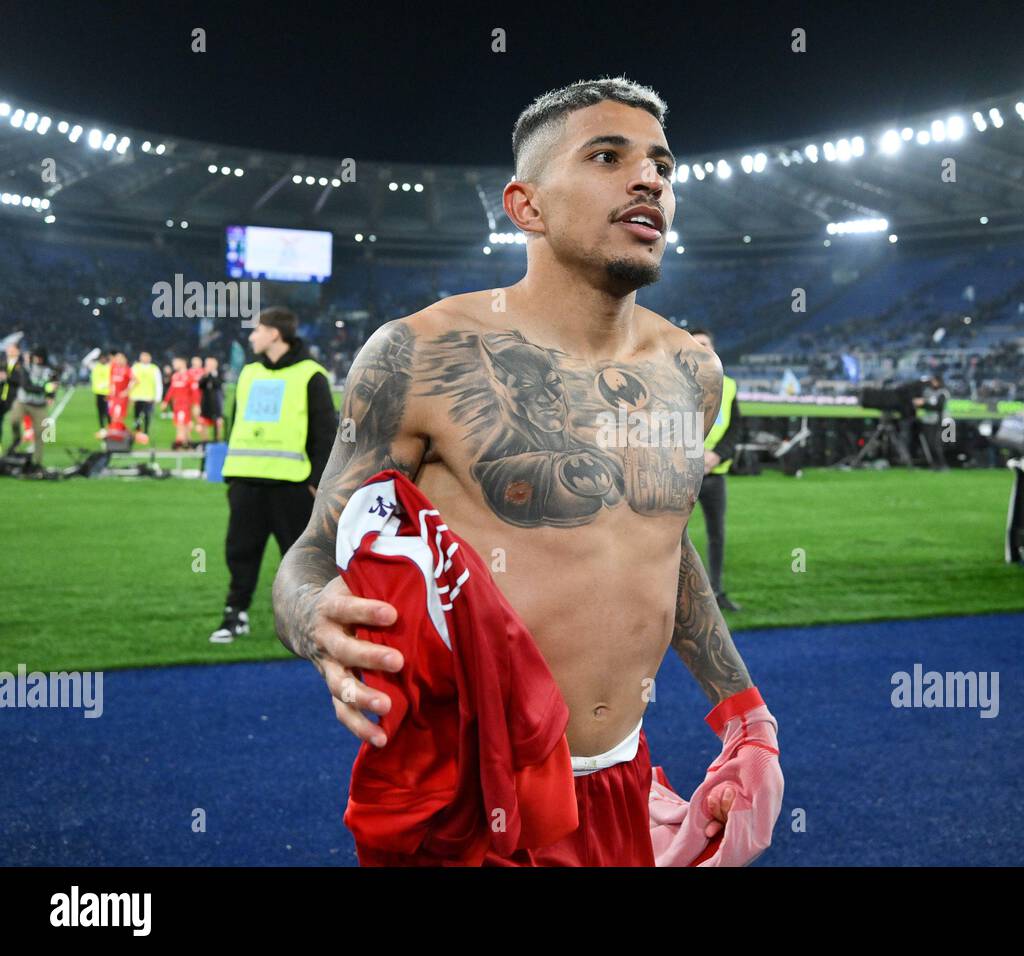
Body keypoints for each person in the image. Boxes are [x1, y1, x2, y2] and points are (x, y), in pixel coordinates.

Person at [272, 77, 783, 867]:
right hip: (472, 801)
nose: (649, 178)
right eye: (608, 156)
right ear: (526, 206)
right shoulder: (419, 355)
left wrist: (746, 716)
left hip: (625, 784)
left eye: (663, 165)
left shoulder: (693, 370)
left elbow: (661, 543)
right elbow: (310, 554)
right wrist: (312, 619)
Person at [212, 308, 335, 643]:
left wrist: (316, 484)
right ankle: (234, 615)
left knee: (298, 561)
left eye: (257, 330)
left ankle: (308, 623)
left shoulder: (312, 375)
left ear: (275, 334)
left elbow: (326, 434)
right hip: (246, 482)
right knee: (239, 553)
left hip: (291, 486)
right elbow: (236, 426)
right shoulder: (249, 374)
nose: (251, 336)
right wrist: (233, 481)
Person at [688, 328, 743, 611]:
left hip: (715, 474)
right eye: (694, 344)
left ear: (714, 348)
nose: (701, 348)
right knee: (670, 539)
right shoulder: (672, 382)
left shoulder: (729, 385)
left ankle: (717, 593)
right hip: (681, 474)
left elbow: (736, 428)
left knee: (716, 535)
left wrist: (717, 455)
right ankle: (674, 597)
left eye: (705, 344)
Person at [3, 346, 59, 467]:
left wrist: (51, 395)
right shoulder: (26, 368)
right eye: (36, 357)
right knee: (14, 421)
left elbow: (54, 383)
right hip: (22, 402)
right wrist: (44, 389)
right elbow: (25, 386)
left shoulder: (50, 371)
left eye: (40, 357)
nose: (38, 359)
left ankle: (37, 463)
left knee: (41, 433)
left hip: (39, 405)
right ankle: (17, 439)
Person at [917, 373, 950, 470]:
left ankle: (942, 464)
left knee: (935, 444)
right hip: (927, 420)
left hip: (938, 421)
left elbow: (938, 407)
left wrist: (923, 404)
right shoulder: (927, 391)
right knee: (928, 444)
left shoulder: (943, 392)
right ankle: (934, 464)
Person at [130, 351, 164, 437]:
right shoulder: (135, 367)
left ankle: (145, 432)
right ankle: (137, 431)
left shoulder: (154, 368)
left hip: (149, 397)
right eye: (143, 357)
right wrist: (130, 395)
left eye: (146, 357)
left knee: (147, 415)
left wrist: (158, 397)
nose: (144, 359)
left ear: (150, 358)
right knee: (136, 415)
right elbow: (130, 381)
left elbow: (158, 383)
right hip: (137, 396)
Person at [162, 357, 193, 449]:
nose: (174, 365)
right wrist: (166, 401)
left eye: (176, 363)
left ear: (182, 363)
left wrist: (195, 404)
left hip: (184, 404)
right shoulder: (175, 376)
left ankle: (179, 442)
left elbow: (194, 392)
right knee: (183, 423)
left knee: (181, 423)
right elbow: (171, 390)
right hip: (176, 404)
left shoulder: (188, 375)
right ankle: (189, 443)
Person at [197, 356, 225, 442]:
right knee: (203, 424)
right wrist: (206, 375)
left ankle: (217, 441)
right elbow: (200, 386)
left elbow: (218, 385)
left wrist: (212, 374)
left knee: (218, 424)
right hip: (206, 404)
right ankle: (205, 442)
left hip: (216, 404)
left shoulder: (219, 374)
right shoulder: (204, 375)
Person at [89, 350, 112, 429]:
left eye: (104, 358)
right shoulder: (95, 366)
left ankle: (110, 427)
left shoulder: (110, 366)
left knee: (108, 412)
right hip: (98, 393)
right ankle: (102, 428)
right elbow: (85, 362)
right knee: (100, 412)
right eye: (101, 358)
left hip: (108, 393)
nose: (102, 360)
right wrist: (93, 354)